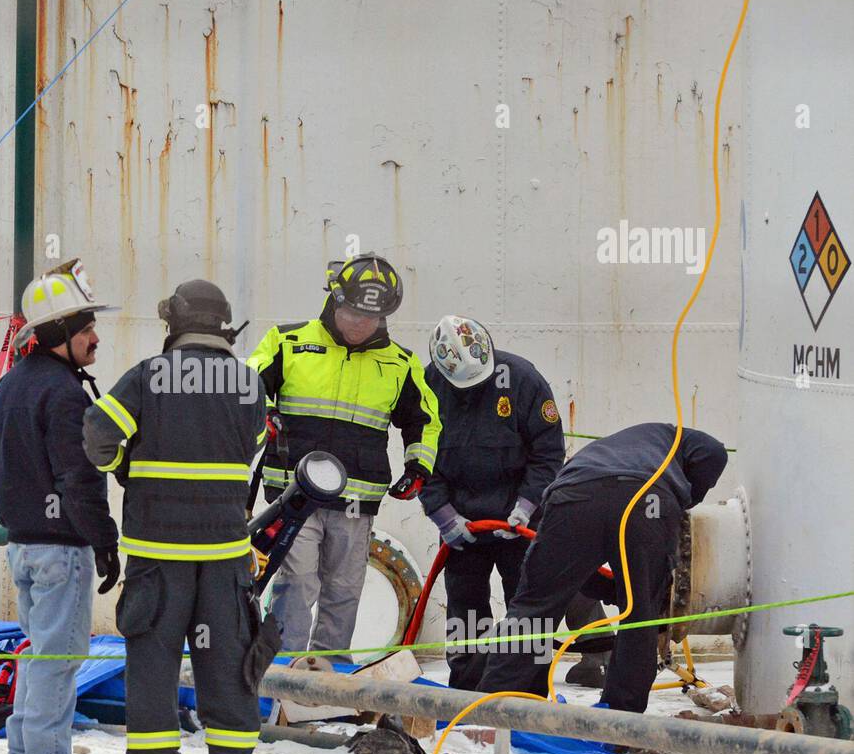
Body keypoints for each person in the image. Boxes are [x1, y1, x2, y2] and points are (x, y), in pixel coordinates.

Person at [83, 280, 268, 754]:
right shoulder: (249, 383)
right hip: (224, 558)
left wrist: (127, 469)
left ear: (176, 324)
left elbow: (97, 433)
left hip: (157, 557)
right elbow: (255, 444)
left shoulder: (148, 376)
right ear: (223, 326)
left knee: (152, 673)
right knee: (230, 673)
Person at [247, 253, 441, 662]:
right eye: (353, 312)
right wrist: (263, 412)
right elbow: (248, 387)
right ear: (335, 300)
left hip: (356, 501)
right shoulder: (289, 342)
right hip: (293, 497)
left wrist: (418, 466)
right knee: (297, 583)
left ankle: (327, 678)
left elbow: (424, 420)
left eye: (371, 317)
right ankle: (282, 669)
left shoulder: (400, 364)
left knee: (345, 589)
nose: (359, 323)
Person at [475, 423, 729, 713]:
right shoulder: (683, 438)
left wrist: (608, 589)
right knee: (640, 614)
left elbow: (571, 570)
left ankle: (496, 707)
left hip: (574, 495)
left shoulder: (606, 447)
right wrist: (686, 498)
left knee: (535, 606)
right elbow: (715, 453)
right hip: (649, 500)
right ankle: (619, 718)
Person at [418, 315, 613, 689]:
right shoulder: (428, 387)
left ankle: (530, 689)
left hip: (522, 521)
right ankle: (467, 688)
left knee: (530, 608)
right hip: (463, 527)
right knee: (466, 610)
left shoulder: (523, 380)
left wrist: (525, 507)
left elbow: (548, 454)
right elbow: (422, 460)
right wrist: (444, 516)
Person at [0, 261, 122, 754]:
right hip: (60, 548)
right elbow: (79, 478)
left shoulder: (13, 384)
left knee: (40, 653)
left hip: (22, 543)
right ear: (60, 336)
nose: (95, 337)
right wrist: (105, 540)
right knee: (59, 657)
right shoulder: (66, 394)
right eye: (86, 328)